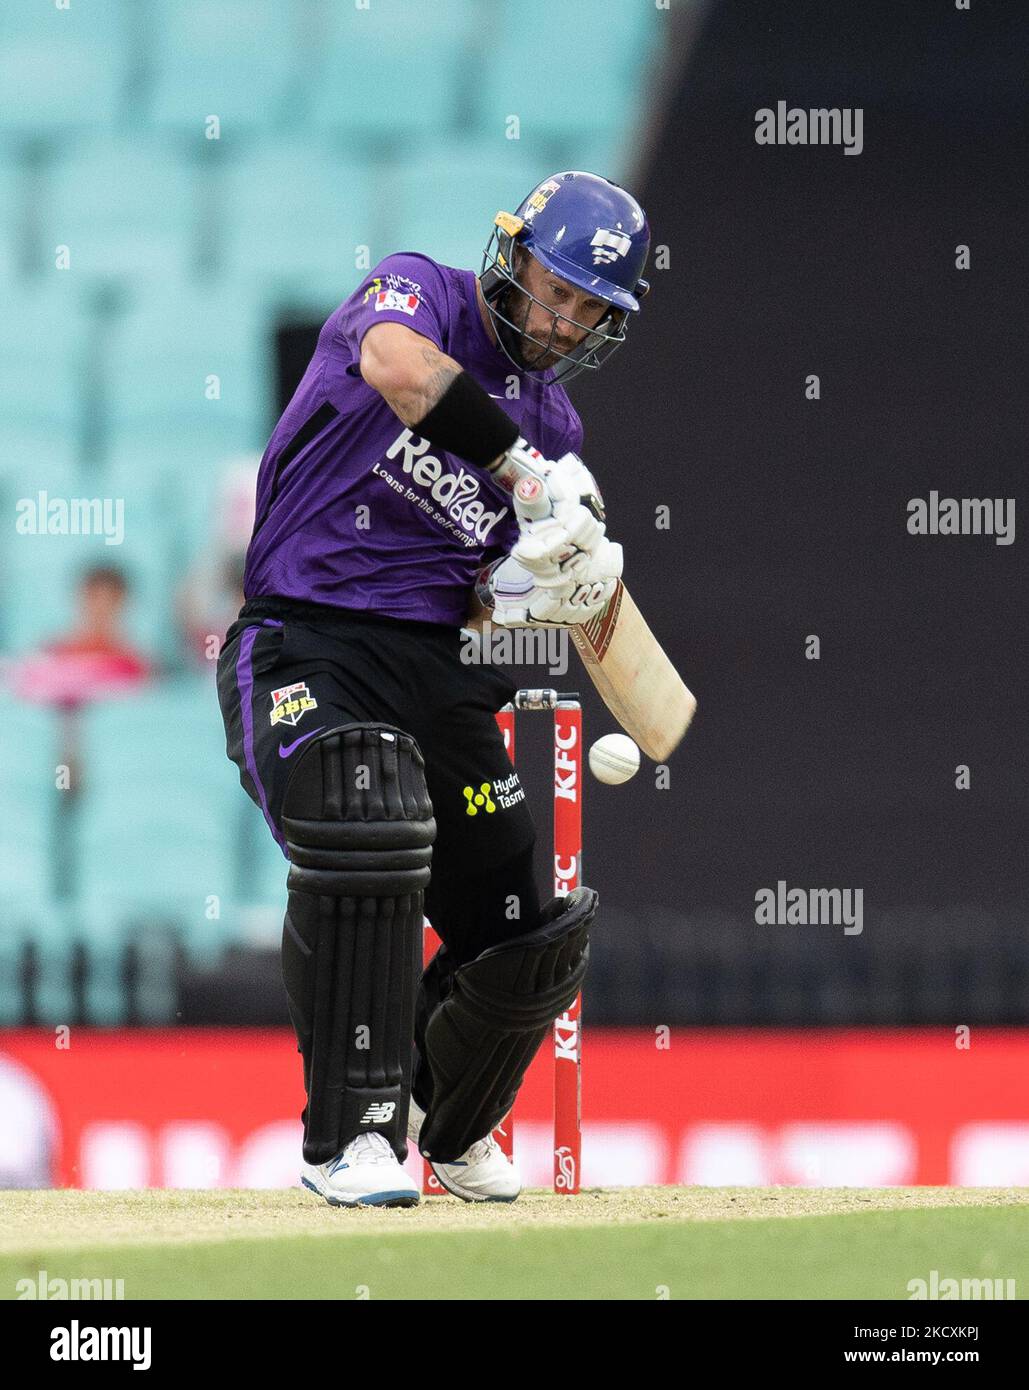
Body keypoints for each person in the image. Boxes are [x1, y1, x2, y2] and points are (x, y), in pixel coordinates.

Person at [217, 170, 651, 1207]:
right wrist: (524, 474)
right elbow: (398, 371)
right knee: (367, 810)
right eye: (559, 287)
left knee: (521, 921)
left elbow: (473, 597)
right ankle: (349, 1138)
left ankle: (447, 1125)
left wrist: (542, 585)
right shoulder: (419, 294)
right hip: (304, 639)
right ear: (514, 255)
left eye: (593, 309)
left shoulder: (561, 430)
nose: (567, 319)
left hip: (434, 663)